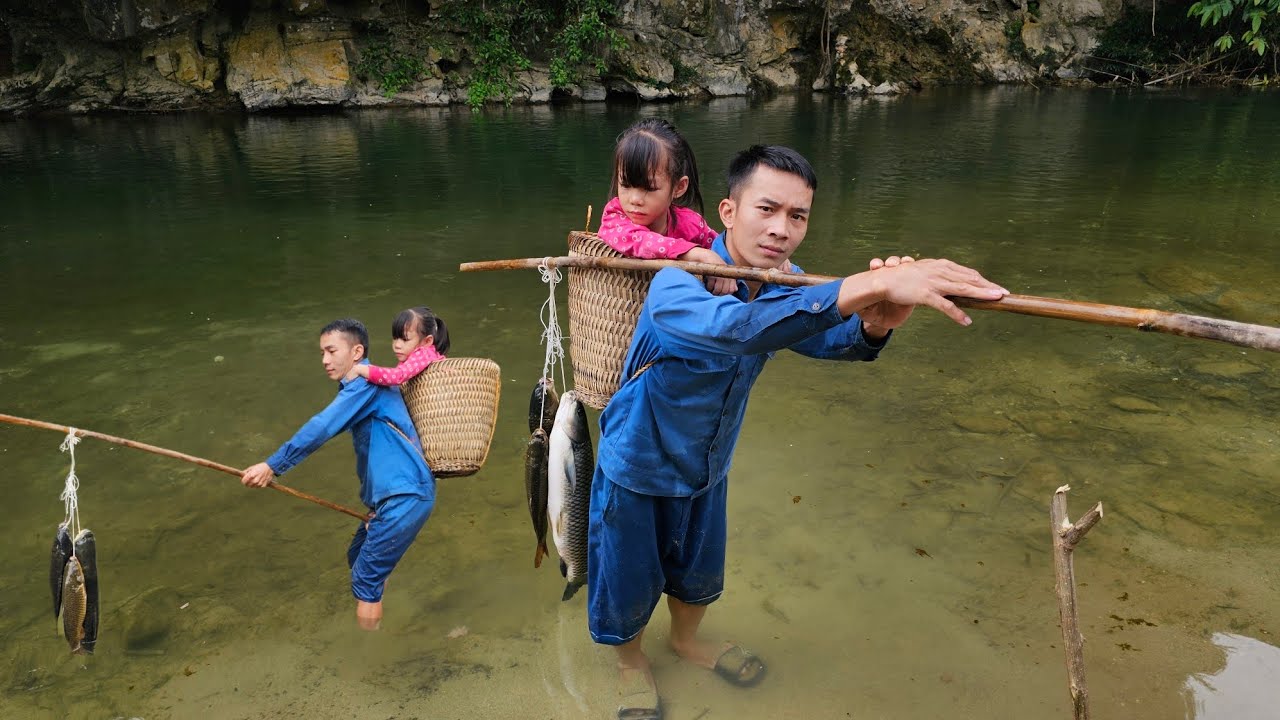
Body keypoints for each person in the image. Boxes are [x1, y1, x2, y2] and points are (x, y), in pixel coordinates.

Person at [586, 145, 1009, 720]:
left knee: (698, 568)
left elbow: (817, 334)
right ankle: (631, 661)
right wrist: (858, 286)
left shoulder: (780, 286)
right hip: (639, 461)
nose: (782, 230)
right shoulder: (676, 283)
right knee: (627, 575)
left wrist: (872, 321)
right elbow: (735, 331)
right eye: (768, 210)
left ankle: (686, 642)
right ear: (730, 212)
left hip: (708, 463)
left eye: (798, 216)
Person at [241, 318, 435, 631]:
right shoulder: (362, 388)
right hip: (395, 497)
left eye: (331, 351)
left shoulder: (365, 386)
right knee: (358, 556)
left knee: (365, 578)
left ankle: (368, 657)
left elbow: (321, 427)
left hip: (406, 495)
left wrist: (272, 465)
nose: (325, 360)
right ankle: (384, 621)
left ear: (357, 351)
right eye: (322, 353)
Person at [598, 118, 736, 296]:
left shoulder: (690, 223)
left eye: (649, 188)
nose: (635, 199)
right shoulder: (614, 217)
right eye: (625, 185)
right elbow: (639, 240)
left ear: (678, 187)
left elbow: (724, 247)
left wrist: (764, 260)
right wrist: (694, 253)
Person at [352, 306, 449, 386]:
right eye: (395, 338)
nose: (397, 345)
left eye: (405, 339)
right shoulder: (413, 356)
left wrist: (364, 370)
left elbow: (398, 376)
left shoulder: (424, 353)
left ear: (427, 341)